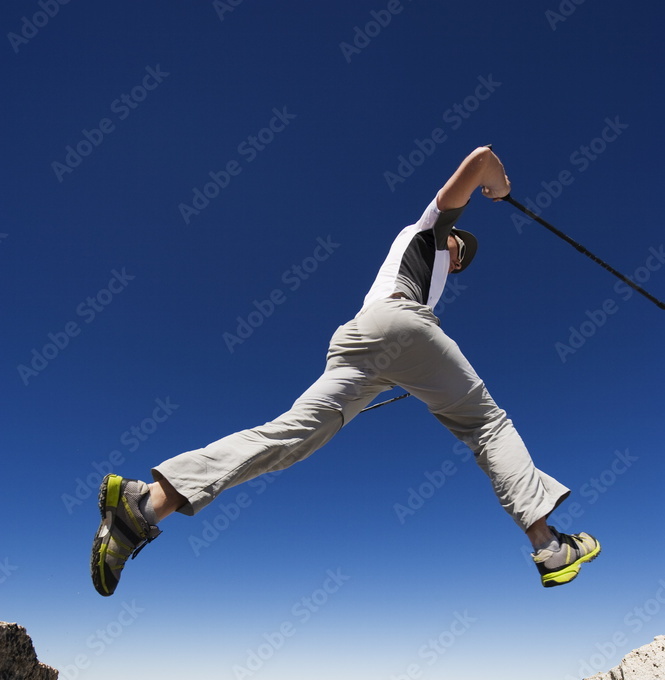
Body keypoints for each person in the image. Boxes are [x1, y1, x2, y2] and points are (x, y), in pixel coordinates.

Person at [91, 145, 600, 597]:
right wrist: (498, 186)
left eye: (463, 253)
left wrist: (401, 369)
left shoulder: (428, 271)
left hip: (363, 342)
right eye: (460, 246)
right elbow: (481, 159)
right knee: (486, 425)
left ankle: (144, 505)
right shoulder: (428, 232)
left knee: (288, 438)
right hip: (400, 326)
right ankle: (551, 545)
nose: (460, 254)